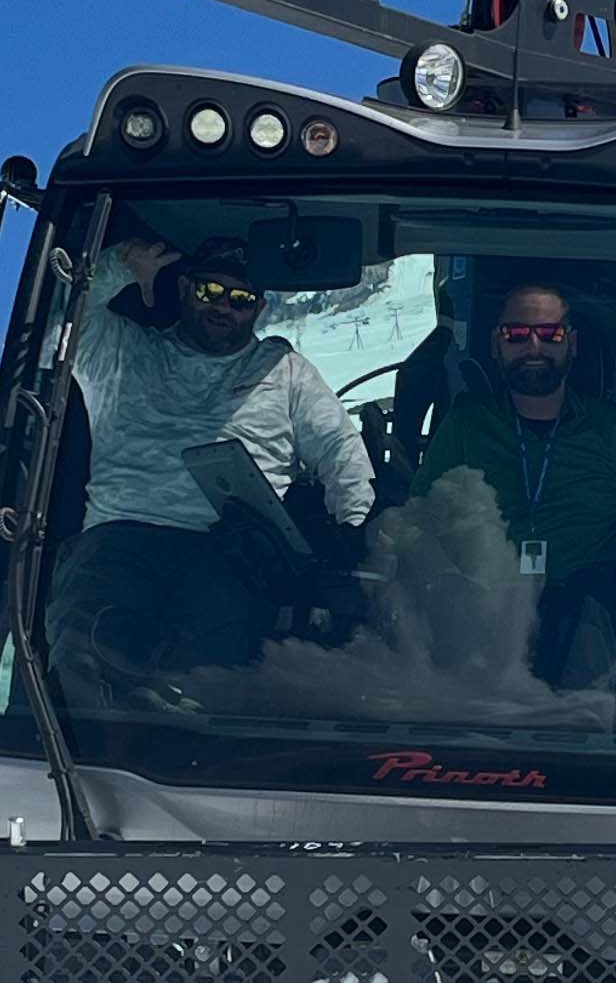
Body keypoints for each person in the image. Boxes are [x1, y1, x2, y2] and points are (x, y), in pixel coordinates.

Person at [43, 233, 374, 688]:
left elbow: (339, 449)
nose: (223, 307)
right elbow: (55, 329)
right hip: (121, 535)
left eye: (240, 300)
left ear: (258, 309)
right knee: (81, 652)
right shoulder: (122, 352)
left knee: (213, 669)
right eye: (210, 291)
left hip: (234, 546)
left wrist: (354, 529)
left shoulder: (283, 370)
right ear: (184, 289)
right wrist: (117, 266)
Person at [416, 280, 616, 679]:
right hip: (482, 618)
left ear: (572, 344)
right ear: (496, 345)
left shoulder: (614, 431)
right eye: (517, 334)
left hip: (585, 620)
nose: (533, 347)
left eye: (549, 334)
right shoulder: (465, 426)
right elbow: (419, 520)